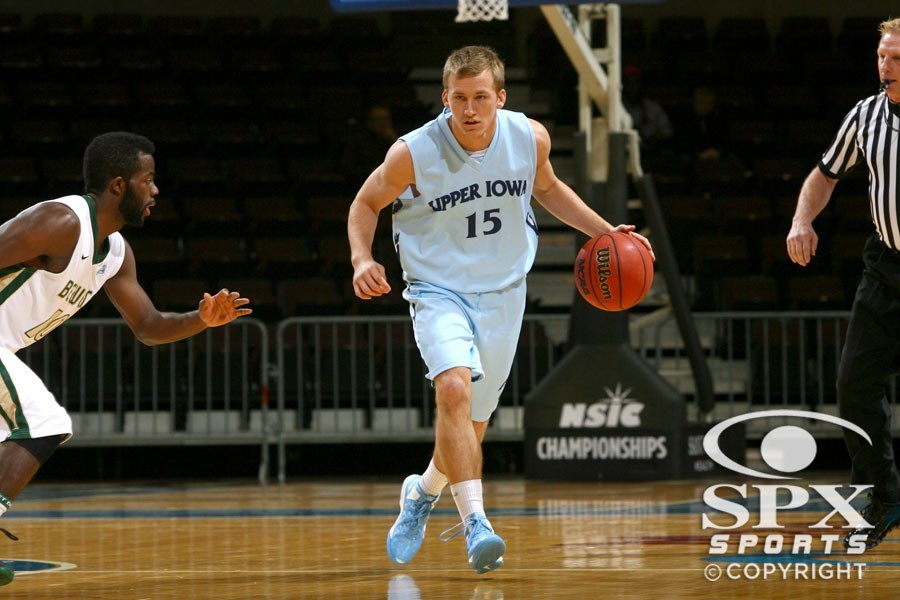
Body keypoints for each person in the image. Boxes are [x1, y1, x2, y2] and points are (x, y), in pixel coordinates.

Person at [347, 46, 654, 574]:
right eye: (460, 98)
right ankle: (476, 525)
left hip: (503, 293)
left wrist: (606, 231)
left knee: (470, 425)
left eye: (481, 98)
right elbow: (364, 203)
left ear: (500, 98)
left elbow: (550, 188)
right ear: (445, 99)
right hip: (437, 289)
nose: (470, 109)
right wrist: (360, 259)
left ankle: (421, 494)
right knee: (453, 390)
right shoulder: (413, 152)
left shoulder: (528, 137)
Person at [0, 131, 252, 586]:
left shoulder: (114, 253)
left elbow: (149, 326)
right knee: (44, 423)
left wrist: (201, 317)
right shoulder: (60, 221)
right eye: (147, 179)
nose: (155, 190)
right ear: (118, 185)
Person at [786, 17, 900, 551]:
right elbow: (824, 174)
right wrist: (801, 221)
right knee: (854, 386)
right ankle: (883, 495)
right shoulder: (866, 115)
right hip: (886, 266)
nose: (885, 66)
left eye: (896, 58)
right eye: (882, 56)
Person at [340, 104, 399, 189]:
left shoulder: (394, 140)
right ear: (369, 122)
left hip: (392, 186)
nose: (383, 123)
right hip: (364, 185)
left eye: (386, 119)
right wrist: (371, 171)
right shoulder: (358, 141)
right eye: (378, 119)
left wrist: (394, 141)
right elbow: (348, 167)